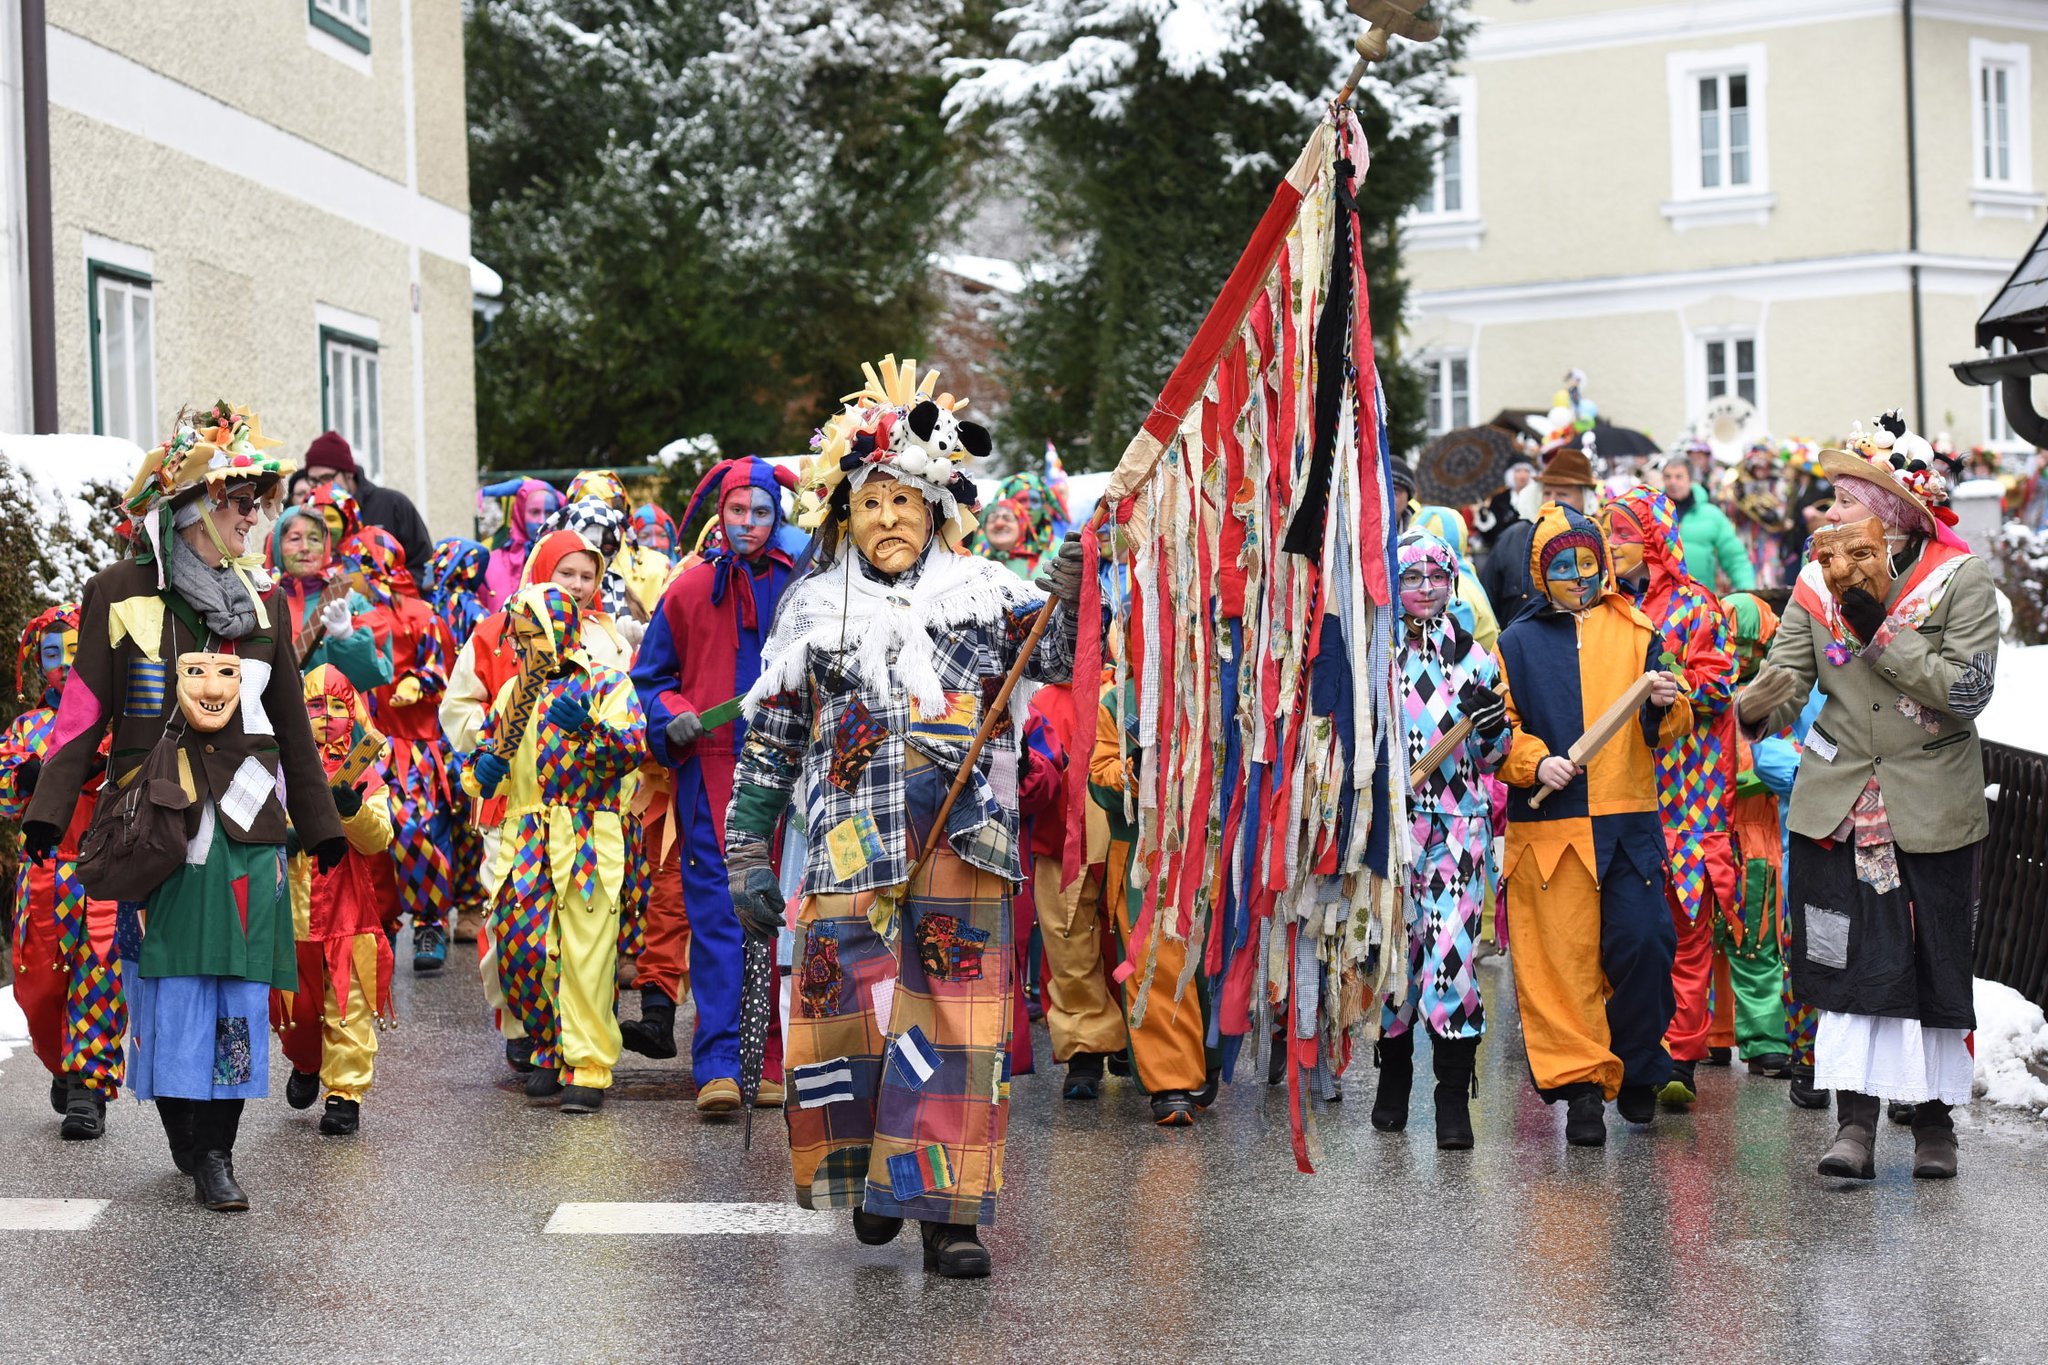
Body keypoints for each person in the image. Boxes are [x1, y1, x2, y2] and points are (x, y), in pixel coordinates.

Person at [725, 357, 1076, 1279]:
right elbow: (769, 741)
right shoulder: (811, 607)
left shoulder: (989, 592)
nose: (888, 520)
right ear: (846, 514)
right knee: (856, 1023)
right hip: (848, 841)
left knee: (956, 1029)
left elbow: (1069, 654)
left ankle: (945, 1217)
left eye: (905, 503)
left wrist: (1078, 575)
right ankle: (879, 1183)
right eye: (871, 504)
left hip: (964, 839)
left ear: (935, 509)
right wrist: (746, 858)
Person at [23, 403, 345, 1211]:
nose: (254, 516)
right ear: (195, 505)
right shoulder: (122, 593)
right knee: (168, 991)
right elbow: (81, 712)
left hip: (248, 831)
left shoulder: (263, 603)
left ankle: (218, 1150)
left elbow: (295, 729)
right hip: (158, 830)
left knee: (237, 991)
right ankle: (182, 1126)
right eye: (240, 501)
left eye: (257, 502)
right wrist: (48, 812)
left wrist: (322, 824)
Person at [1737, 412, 1998, 1181]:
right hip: (1839, 808)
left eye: (1844, 503)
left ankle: (1935, 1126)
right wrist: (1756, 704)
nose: (1828, 515)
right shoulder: (1817, 582)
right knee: (1845, 964)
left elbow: (1965, 692)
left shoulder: (1963, 579)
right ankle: (1854, 1124)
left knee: (1931, 963)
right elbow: (1785, 677)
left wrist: (1881, 625)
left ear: (1888, 514)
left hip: (1931, 808)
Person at [1495, 502, 1689, 1147]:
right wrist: (1533, 762)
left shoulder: (1635, 628)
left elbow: (1669, 725)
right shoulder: (1514, 642)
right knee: (1562, 961)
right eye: (1563, 566)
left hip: (1627, 818)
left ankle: (1637, 1066)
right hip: (1550, 829)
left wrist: (1666, 704)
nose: (1579, 576)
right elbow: (1500, 728)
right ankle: (1580, 1089)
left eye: (1587, 562)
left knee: (1646, 945)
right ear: (1539, 574)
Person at [629, 457, 800, 1108]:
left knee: (777, 916)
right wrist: (670, 717)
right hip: (711, 768)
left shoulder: (801, 586)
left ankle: (776, 1060)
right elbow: (651, 679)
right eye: (737, 510)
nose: (749, 523)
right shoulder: (688, 590)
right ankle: (722, 1066)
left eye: (760, 512)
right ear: (719, 514)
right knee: (721, 920)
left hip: (787, 770)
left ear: (776, 516)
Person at [466, 584, 648, 1114]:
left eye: (534, 636)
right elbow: (483, 768)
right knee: (521, 950)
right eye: (518, 640)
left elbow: (632, 751)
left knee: (587, 957)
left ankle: (588, 1065)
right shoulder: (511, 696)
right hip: (527, 841)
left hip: (589, 835)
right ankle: (548, 1047)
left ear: (562, 632)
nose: (526, 649)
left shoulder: (607, 683)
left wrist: (589, 728)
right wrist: (482, 773)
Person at [1371, 530, 1510, 1150]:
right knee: (1393, 955)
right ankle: (1393, 1078)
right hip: (1393, 828)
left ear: (1452, 581)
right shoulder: (1376, 656)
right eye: (1411, 577)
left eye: (1436, 576)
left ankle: (1453, 1096)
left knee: (1451, 959)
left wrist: (1493, 727)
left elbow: (1494, 758)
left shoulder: (1477, 660)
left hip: (1458, 827)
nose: (1425, 587)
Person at [1598, 485, 1736, 1111]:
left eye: (1621, 533)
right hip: (1626, 784)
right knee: (1627, 923)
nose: (1610, 544)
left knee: (1686, 923)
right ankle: (1627, 1046)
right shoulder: (1604, 608)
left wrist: (1665, 680)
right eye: (1606, 532)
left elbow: (1719, 685)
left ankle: (1681, 1053)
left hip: (1689, 788)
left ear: (1652, 541)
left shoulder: (1695, 607)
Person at [1, 603, 126, 1140]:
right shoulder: (26, 727)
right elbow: (4, 797)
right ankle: (61, 1063)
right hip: (43, 877)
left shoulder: (117, 721)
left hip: (101, 873)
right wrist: (24, 780)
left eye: (74, 652)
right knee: (39, 990)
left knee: (99, 981)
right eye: (52, 653)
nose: (63, 663)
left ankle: (88, 1089)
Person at [272, 665, 396, 1136]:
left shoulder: (367, 773)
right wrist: (281, 837)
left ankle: (344, 1093)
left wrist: (352, 811)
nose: (326, 717)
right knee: (297, 1011)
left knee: (349, 1006)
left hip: (348, 911)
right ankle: (306, 1062)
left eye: (337, 706)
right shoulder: (279, 766)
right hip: (290, 915)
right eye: (315, 706)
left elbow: (378, 838)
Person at [339, 527, 458, 972]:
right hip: (365, 746)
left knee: (419, 832)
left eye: (353, 567)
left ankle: (430, 921)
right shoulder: (346, 615)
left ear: (374, 568)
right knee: (368, 838)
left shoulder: (422, 614)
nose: (345, 575)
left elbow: (442, 672)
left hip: (414, 748)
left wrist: (419, 682)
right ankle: (379, 926)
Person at [1717, 592, 1794, 1078]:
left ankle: (1765, 1039)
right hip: (1711, 838)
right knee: (1704, 940)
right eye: (1734, 643)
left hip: (1757, 840)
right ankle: (1712, 1032)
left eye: (1751, 644)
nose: (1742, 655)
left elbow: (1789, 763)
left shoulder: (1778, 700)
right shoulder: (1701, 692)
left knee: (1754, 942)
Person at [265, 497, 391, 691]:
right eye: (295, 538)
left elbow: (381, 672)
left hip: (338, 718)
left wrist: (347, 637)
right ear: (277, 547)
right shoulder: (262, 602)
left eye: (314, 539)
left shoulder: (350, 602)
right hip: (279, 721)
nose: (305, 547)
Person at [1480, 438, 1599, 625]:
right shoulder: (1512, 538)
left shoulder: (1599, 542)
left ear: (1585, 499)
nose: (1550, 502)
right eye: (1547, 493)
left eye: (1562, 495)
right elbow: (1485, 604)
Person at [302, 431, 432, 572]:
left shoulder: (393, 504)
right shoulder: (310, 513)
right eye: (313, 480)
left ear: (349, 474)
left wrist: (389, 590)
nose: (320, 487)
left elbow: (423, 565)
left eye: (326, 478)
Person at [1655, 453, 1754, 594]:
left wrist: (1749, 591)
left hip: (1700, 601)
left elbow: (1734, 557)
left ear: (1691, 480)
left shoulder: (1712, 514)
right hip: (1661, 599)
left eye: (1679, 477)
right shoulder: (1654, 512)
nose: (1673, 482)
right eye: (1668, 477)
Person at [477, 477, 563, 614]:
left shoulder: (565, 564)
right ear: (519, 513)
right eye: (535, 512)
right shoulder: (489, 564)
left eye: (549, 513)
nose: (542, 521)